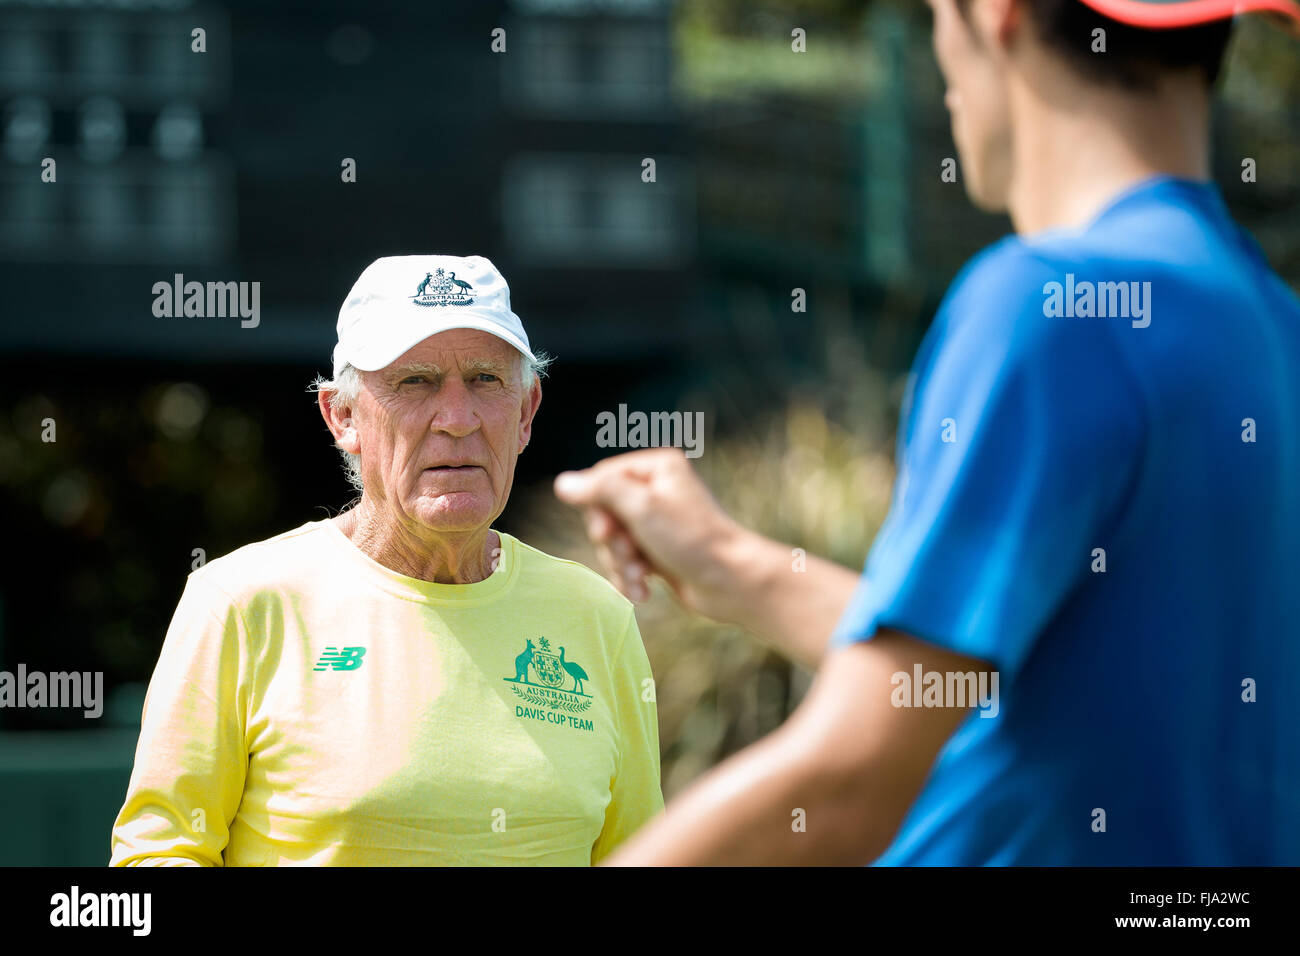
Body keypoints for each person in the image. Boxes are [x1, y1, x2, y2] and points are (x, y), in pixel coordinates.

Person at [554, 0, 1300, 865]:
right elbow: (1039, 701)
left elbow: (851, 779)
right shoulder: (1271, 326)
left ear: (997, 17)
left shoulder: (1049, 303)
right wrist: (733, 566)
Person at [110, 254, 663, 866]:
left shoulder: (598, 616)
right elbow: (156, 859)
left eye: (485, 380)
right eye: (414, 382)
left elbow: (644, 855)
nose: (457, 420)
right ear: (341, 416)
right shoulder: (239, 603)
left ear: (527, 410)